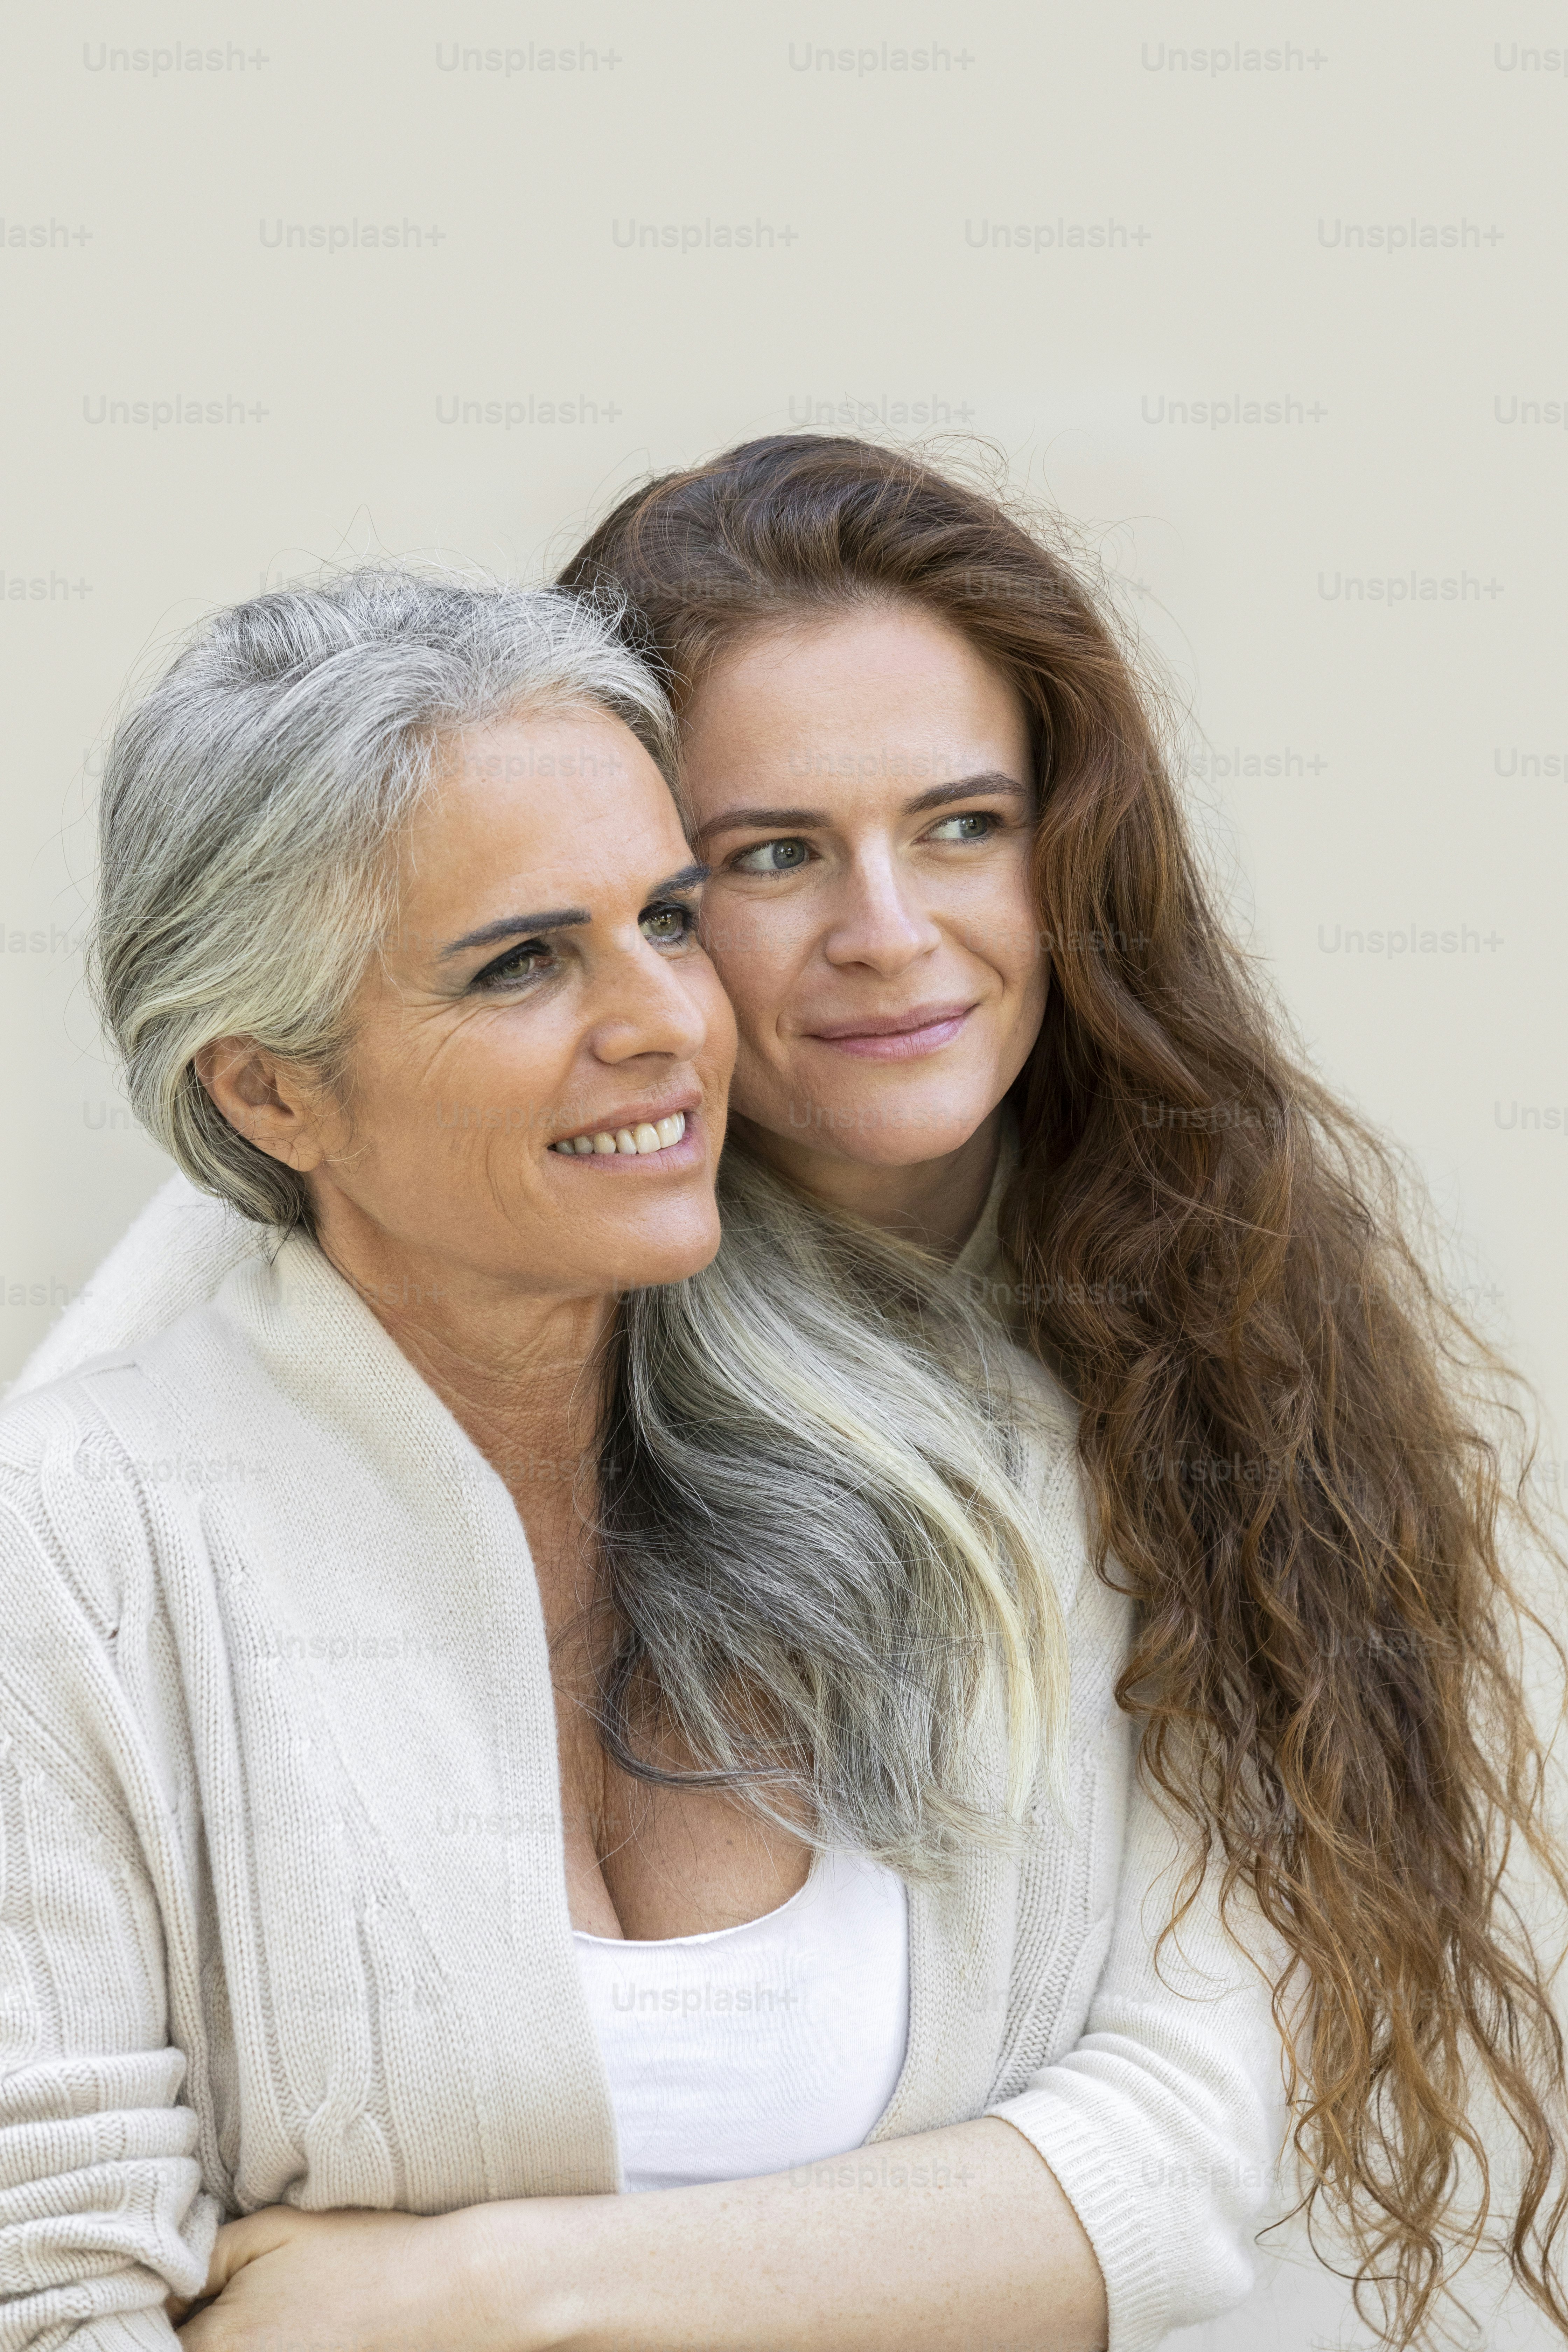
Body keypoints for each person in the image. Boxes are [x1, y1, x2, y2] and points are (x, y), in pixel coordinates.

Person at [0, 568, 1280, 2352]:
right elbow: (49, 2296)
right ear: (270, 1095)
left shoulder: (967, 1462)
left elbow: (1166, 2152)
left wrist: (490, 2301)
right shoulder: (69, 1548)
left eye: (668, 920)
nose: (671, 1024)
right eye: (523, 962)